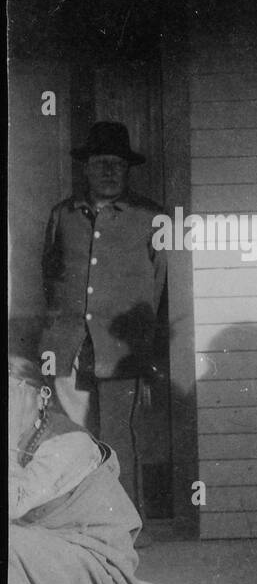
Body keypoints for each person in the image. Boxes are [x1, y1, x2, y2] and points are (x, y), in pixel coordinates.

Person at [40, 121, 167, 500]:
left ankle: (126, 527)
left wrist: (144, 344)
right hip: (70, 342)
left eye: (117, 164)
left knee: (118, 436)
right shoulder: (63, 214)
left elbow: (159, 284)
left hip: (121, 349)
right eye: (100, 163)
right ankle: (79, 521)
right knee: (71, 435)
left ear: (127, 170)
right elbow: (50, 276)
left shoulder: (150, 217)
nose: (109, 171)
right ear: (86, 168)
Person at [8, 356, 144, 584]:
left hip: (99, 569)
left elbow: (13, 503)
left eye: (11, 391)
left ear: (41, 396)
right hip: (45, 557)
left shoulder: (67, 441)